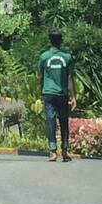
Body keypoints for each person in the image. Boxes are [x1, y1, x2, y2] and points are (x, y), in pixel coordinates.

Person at [37, 29, 76, 162]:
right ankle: (65, 150)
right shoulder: (67, 57)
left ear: (50, 41)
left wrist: (39, 92)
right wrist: (73, 96)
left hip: (48, 93)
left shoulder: (44, 57)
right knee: (64, 121)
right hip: (62, 94)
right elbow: (70, 77)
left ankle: (52, 151)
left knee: (50, 121)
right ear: (61, 41)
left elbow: (40, 76)